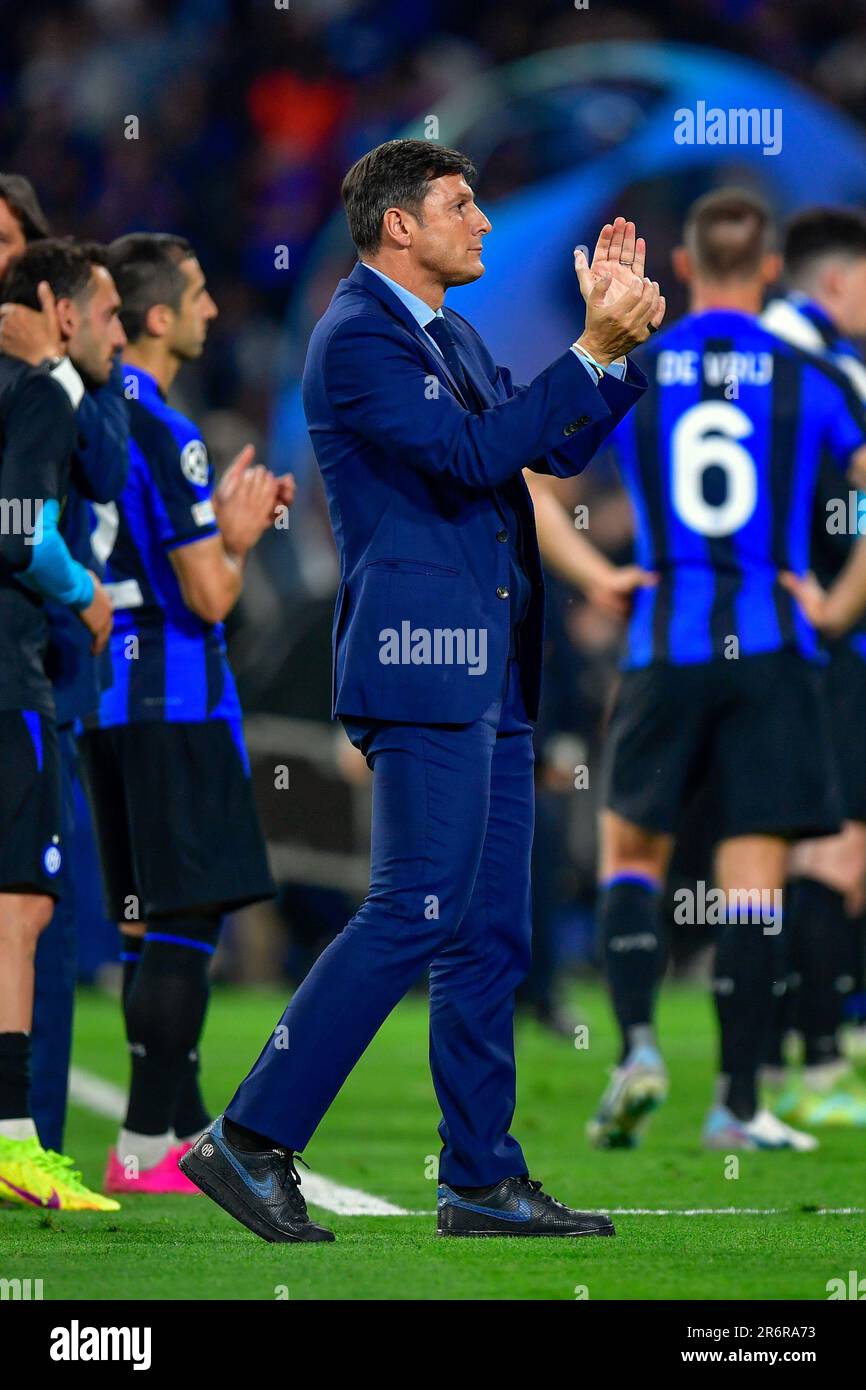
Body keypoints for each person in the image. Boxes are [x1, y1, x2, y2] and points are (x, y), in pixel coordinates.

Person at [181, 138, 663, 1243]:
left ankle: (480, 1178)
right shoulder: (356, 337)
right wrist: (582, 349)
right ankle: (250, 1136)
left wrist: (620, 348)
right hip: (421, 655)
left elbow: (546, 442)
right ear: (398, 225)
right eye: (461, 203)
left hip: (487, 664)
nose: (483, 222)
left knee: (488, 930)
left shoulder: (444, 332)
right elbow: (467, 453)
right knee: (418, 905)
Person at [531, 189, 866, 1152]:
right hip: (775, 651)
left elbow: (534, 478)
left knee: (633, 855)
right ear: (769, 271)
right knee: (753, 878)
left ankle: (635, 1045)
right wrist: (839, 607)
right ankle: (736, 1104)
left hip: (662, 643)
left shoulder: (643, 363)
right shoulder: (809, 373)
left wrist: (601, 576)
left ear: (684, 267)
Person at [76, 233, 293, 1195]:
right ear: (158, 318)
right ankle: (142, 1147)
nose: (213, 309)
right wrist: (239, 540)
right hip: (178, 693)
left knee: (142, 924)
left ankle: (183, 1127)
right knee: (184, 923)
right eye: (199, 294)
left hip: (104, 700)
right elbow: (208, 593)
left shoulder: (83, 413)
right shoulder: (165, 426)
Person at [0, 197, 130, 1153]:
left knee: (37, 905)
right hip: (20, 666)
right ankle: (19, 1140)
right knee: (25, 903)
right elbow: (19, 532)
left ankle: (31, 1131)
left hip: (46, 675)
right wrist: (86, 588)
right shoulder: (43, 386)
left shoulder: (77, 383)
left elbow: (107, 469)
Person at [760, 207, 866, 1123]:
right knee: (835, 849)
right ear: (834, 280)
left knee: (788, 845)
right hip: (826, 639)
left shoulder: (755, 357)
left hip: (742, 634)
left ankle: (791, 1048)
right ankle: (819, 1059)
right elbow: (849, 508)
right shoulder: (821, 373)